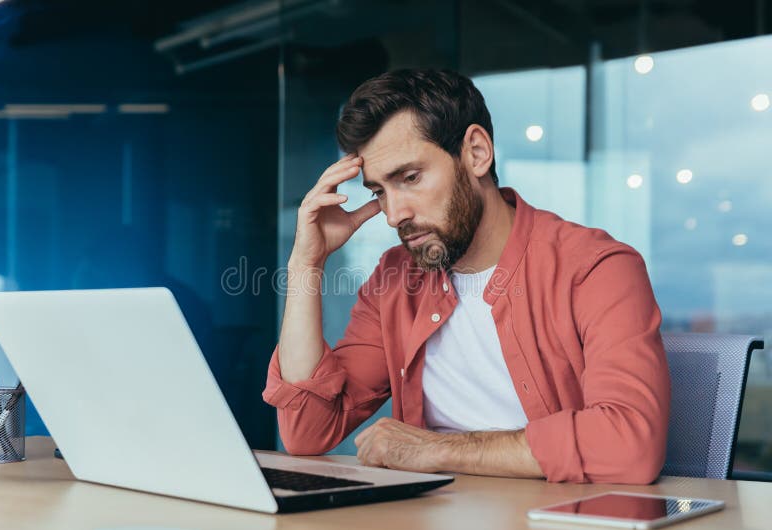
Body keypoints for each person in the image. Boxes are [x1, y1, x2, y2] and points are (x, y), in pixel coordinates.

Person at [262, 69, 670, 484]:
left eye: (410, 177)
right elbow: (308, 431)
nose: (393, 213)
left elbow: (629, 445)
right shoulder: (396, 276)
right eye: (379, 191)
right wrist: (305, 265)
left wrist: (435, 449)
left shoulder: (596, 268)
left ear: (476, 152)